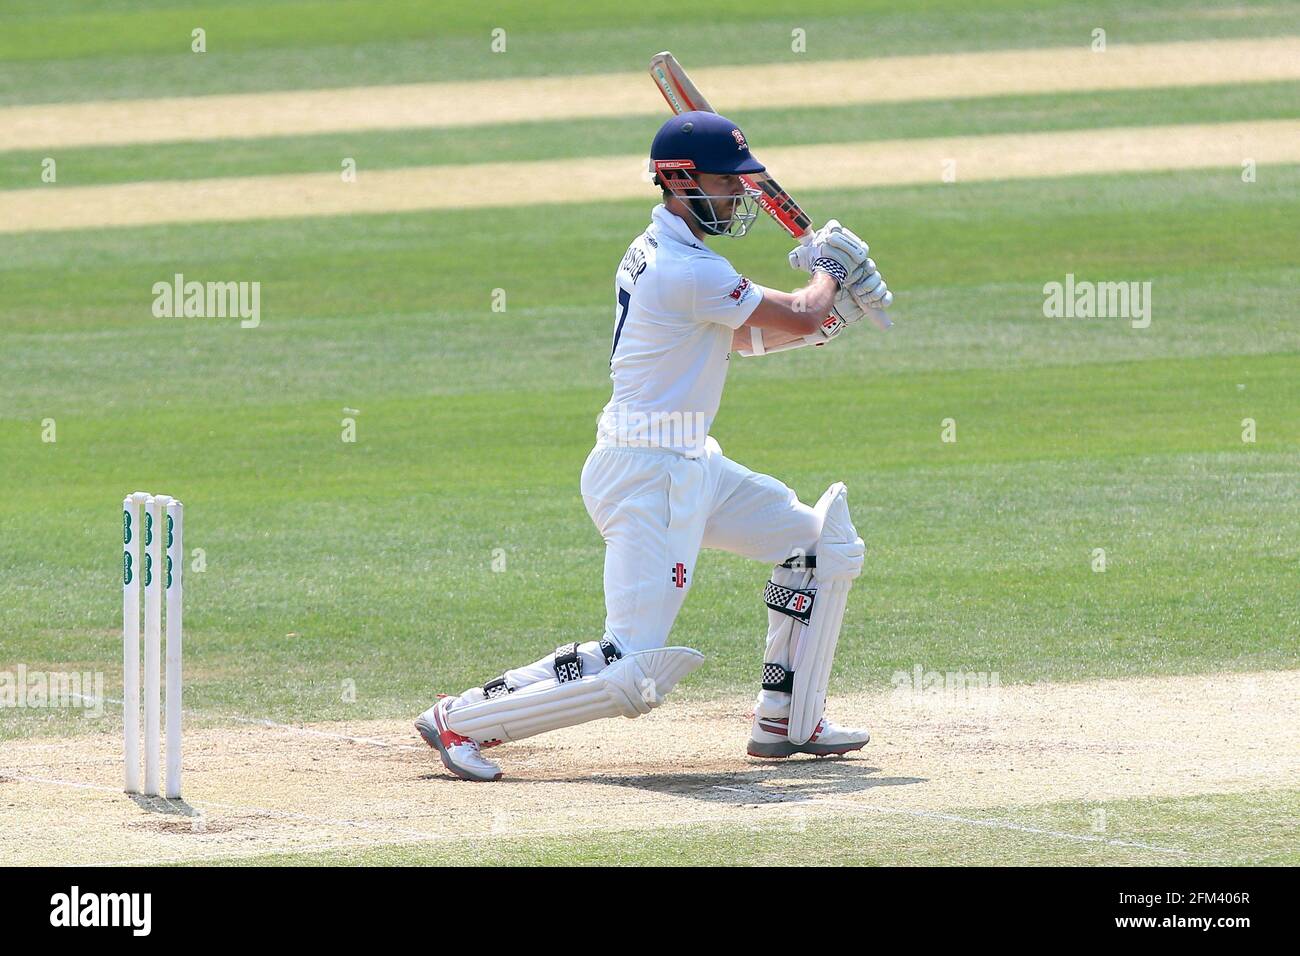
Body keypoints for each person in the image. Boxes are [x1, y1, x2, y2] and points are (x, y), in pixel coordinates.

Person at [416, 110, 893, 781]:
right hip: (645, 473)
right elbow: (799, 310)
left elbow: (740, 337)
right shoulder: (683, 267)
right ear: (681, 182)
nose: (740, 194)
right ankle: (462, 718)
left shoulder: (670, 254)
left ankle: (787, 720)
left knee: (820, 547)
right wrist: (829, 273)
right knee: (632, 669)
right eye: (728, 182)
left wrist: (829, 314)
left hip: (689, 461)